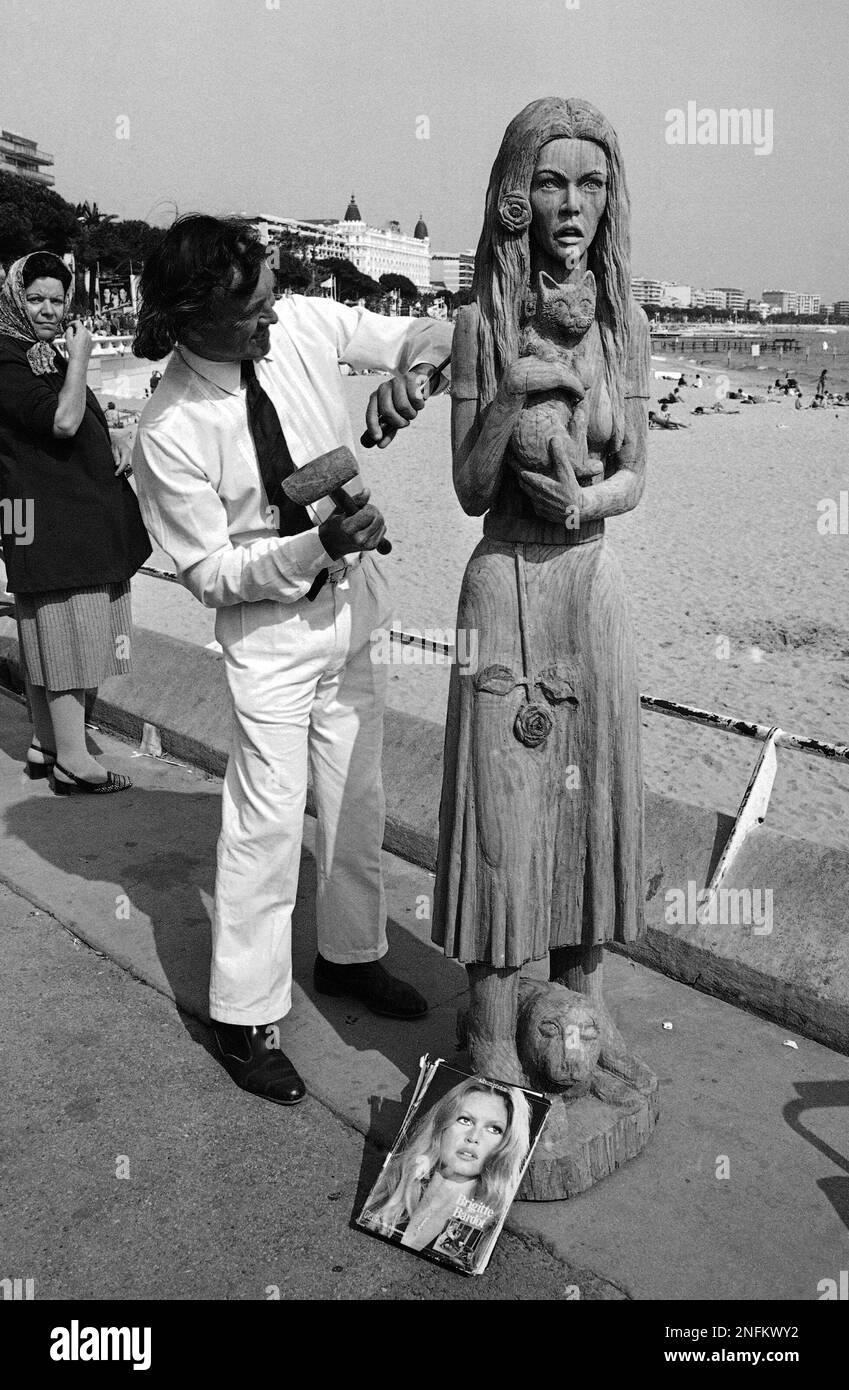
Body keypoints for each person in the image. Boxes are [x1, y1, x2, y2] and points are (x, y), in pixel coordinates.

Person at [131, 215, 452, 1106]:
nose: (273, 323)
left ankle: (352, 955)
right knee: (266, 824)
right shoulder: (167, 427)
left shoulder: (303, 323)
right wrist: (315, 547)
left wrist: (413, 376)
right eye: (253, 314)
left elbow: (438, 333)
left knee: (358, 798)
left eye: (274, 300)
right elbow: (211, 574)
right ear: (192, 319)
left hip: (353, 612)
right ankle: (242, 1012)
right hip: (269, 642)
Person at [432, 98, 650, 1083]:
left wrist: (588, 494)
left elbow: (637, 472)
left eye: (591, 182)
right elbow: (471, 484)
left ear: (612, 198)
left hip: (589, 582)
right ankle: (489, 1030)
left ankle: (586, 1007)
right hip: (504, 581)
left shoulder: (626, 321)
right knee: (501, 809)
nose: (573, 203)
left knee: (588, 806)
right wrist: (517, 384)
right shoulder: (478, 319)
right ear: (519, 194)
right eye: (553, 181)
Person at [0, 253, 151, 790]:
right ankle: (74, 762)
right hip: (48, 518)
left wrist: (108, 428)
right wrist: (81, 356)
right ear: (16, 297)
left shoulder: (39, 354)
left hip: (46, 514)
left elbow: (77, 410)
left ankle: (46, 744)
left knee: (45, 626)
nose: (47, 310)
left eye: (57, 300)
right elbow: (61, 422)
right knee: (66, 630)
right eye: (36, 298)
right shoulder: (8, 358)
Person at [360, 1077, 531, 1263]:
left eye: (494, 1129)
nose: (473, 1138)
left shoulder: (488, 1224)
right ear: (442, 1126)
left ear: (507, 1145)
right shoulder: (395, 1183)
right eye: (465, 1120)